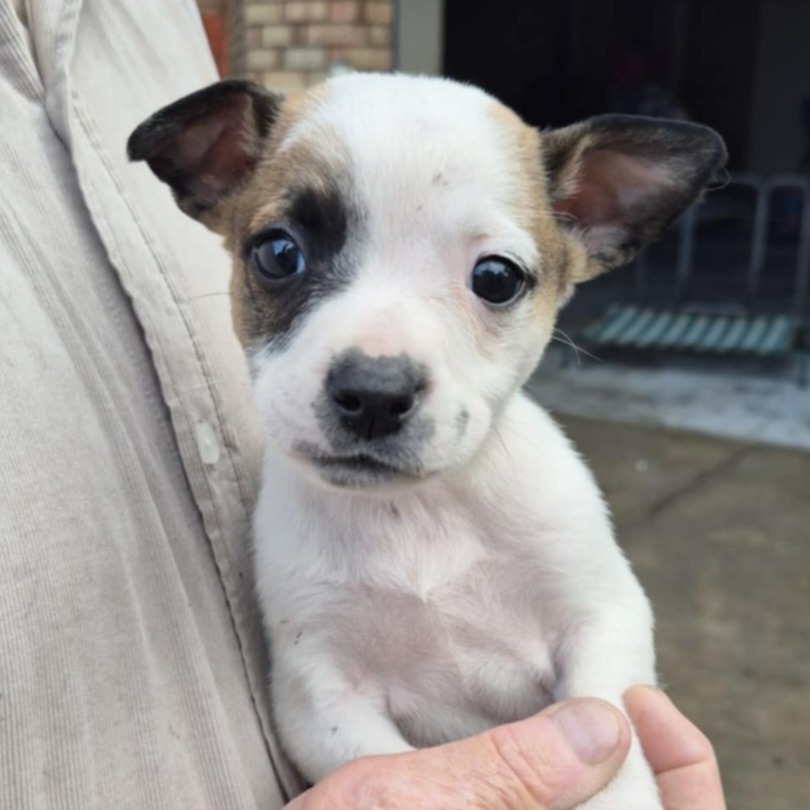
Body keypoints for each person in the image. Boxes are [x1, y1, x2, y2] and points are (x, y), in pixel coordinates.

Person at [0, 1, 726, 807]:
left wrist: (614, 790)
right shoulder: (291, 532)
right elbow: (321, 701)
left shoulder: (548, 500)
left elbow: (605, 621)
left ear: (591, 222)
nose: (377, 371)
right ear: (220, 177)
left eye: (493, 279)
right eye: (282, 256)